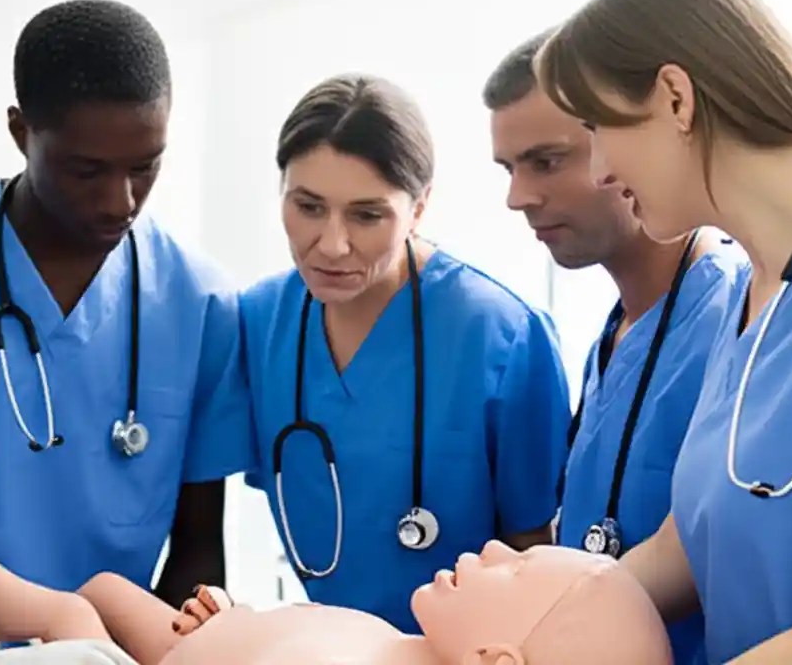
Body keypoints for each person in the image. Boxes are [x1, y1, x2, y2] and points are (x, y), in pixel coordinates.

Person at [0, 0, 251, 633]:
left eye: (145, 168)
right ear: (21, 132)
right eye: (87, 170)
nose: (122, 201)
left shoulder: (200, 304)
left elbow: (199, 544)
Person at [238, 74, 570, 633]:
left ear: (418, 208)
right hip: (328, 647)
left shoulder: (500, 333)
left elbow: (534, 552)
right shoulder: (259, 322)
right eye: (308, 206)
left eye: (367, 215)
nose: (332, 244)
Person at [534, 0, 792, 663]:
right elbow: (692, 538)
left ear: (675, 98)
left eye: (599, 127)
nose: (599, 172)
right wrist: (529, 625)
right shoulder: (751, 299)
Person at [484, 30, 748, 663]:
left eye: (546, 161)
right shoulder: (611, 340)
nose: (518, 197)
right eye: (509, 169)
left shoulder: (740, 318)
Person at [76, 540, 673, 665]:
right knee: (103, 589)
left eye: (517, 569)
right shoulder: (399, 644)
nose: (493, 547)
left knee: (67, 614)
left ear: (496, 662)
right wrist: (235, 623)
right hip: (193, 641)